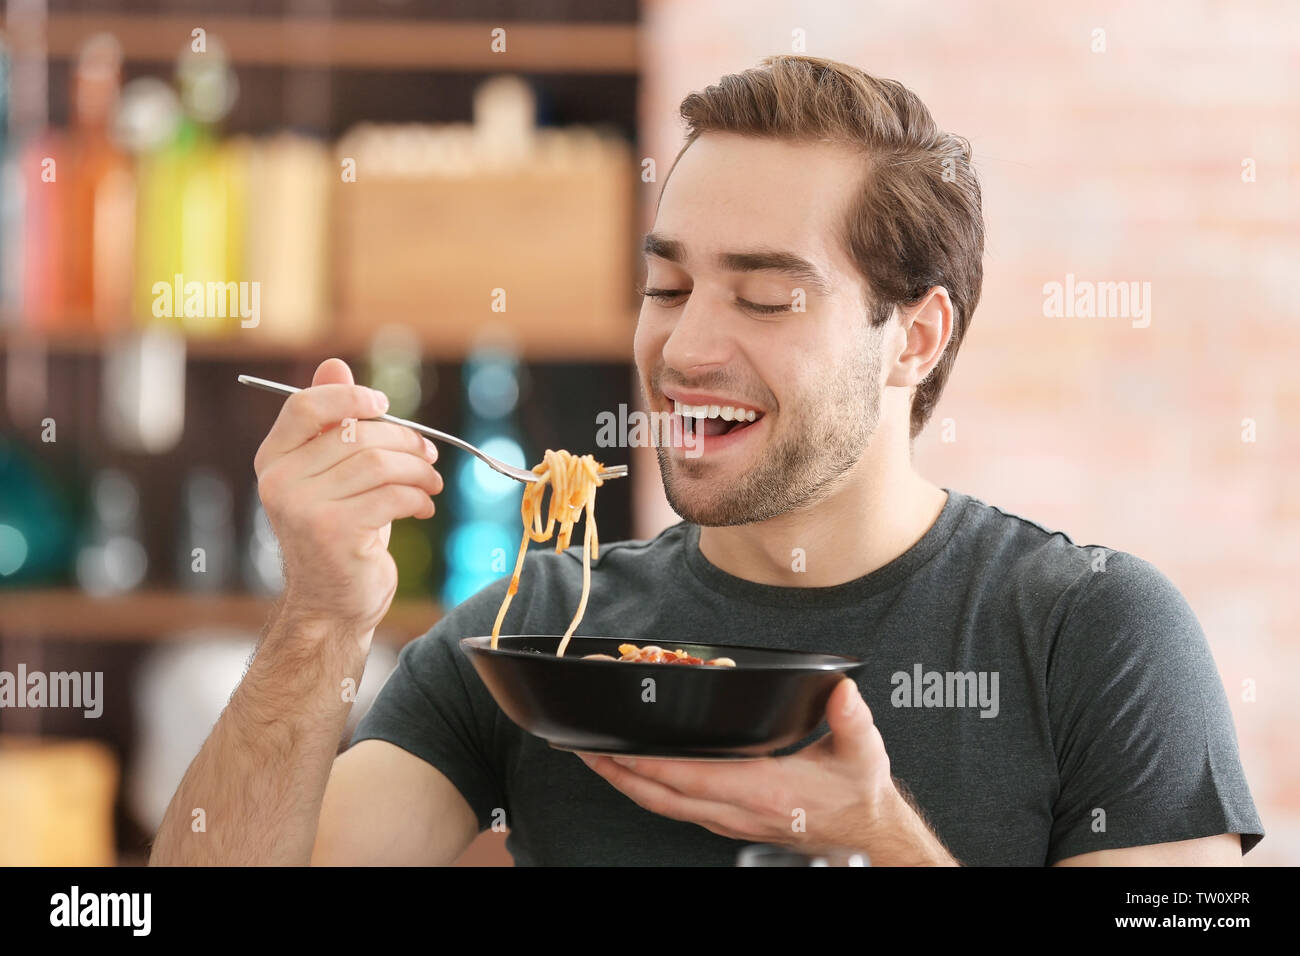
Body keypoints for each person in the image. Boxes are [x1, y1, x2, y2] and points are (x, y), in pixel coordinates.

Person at [150, 55, 1262, 866]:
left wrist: (873, 838)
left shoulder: (1092, 631)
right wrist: (320, 617)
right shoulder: (535, 633)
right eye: (668, 287)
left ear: (912, 337)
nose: (684, 349)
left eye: (768, 296)